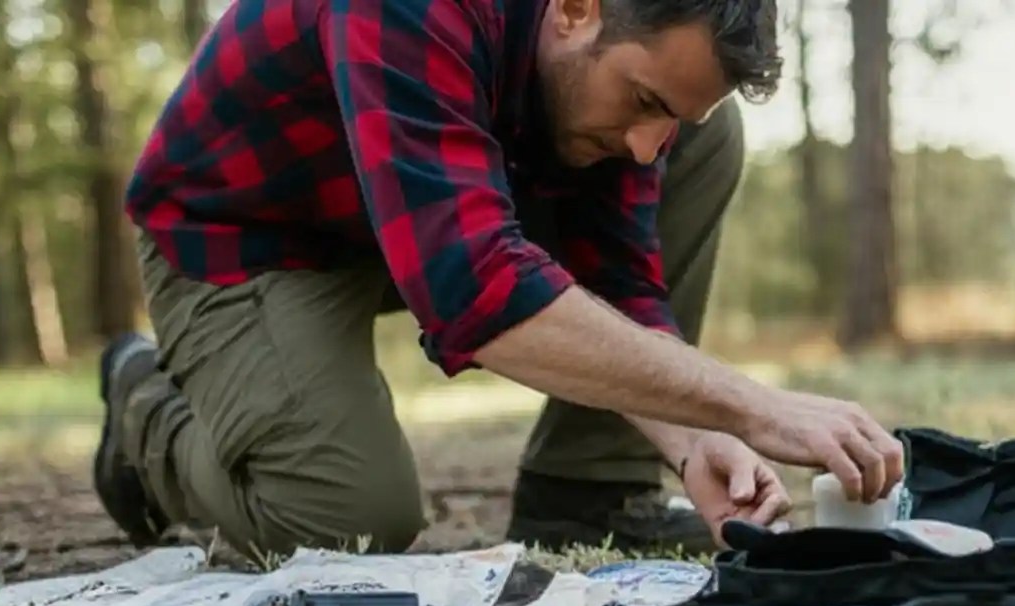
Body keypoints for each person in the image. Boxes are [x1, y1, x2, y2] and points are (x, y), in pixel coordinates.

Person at [95, 0, 905, 561]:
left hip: (428, 212)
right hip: (249, 233)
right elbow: (478, 291)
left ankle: (586, 488)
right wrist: (752, 404)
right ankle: (146, 410)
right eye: (644, 99)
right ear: (577, 7)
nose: (647, 150)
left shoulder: (607, 83)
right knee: (348, 520)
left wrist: (696, 441)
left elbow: (617, 277)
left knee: (708, 132)